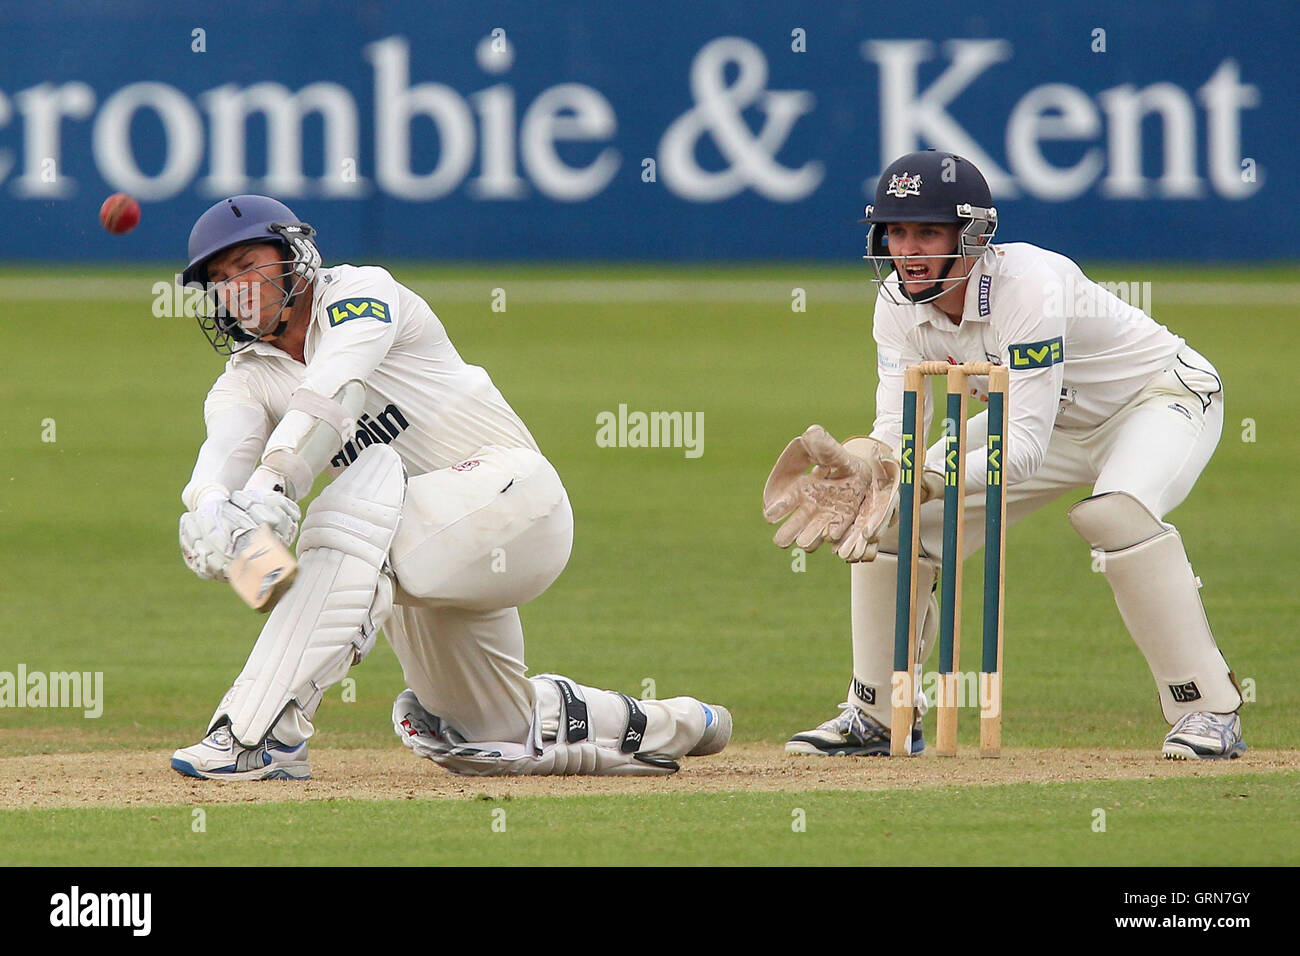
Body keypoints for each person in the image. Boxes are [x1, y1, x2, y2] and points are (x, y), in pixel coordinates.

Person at [170, 195, 730, 779]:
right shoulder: (244, 378)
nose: (235, 285)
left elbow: (336, 391)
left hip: (514, 503)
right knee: (489, 734)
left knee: (352, 499)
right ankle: (682, 723)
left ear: (293, 257)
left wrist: (272, 485)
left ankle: (258, 735)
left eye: (248, 263)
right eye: (219, 277)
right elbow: (222, 455)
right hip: (421, 555)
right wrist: (214, 516)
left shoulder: (361, 294)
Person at [763, 150, 1244, 760]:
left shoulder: (1030, 287)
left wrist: (923, 476)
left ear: (972, 235)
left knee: (1114, 513)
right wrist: (869, 465)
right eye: (897, 231)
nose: (907, 249)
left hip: (1158, 399)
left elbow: (1019, 451)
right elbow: (895, 425)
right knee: (890, 523)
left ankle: (1206, 707)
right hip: (1050, 416)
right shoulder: (896, 299)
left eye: (927, 232)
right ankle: (879, 713)